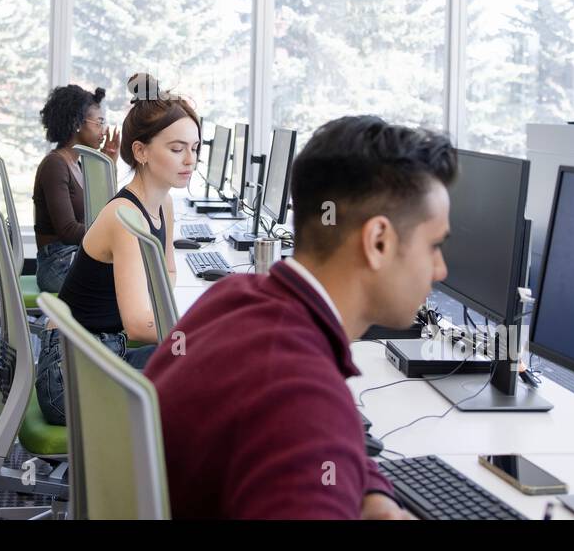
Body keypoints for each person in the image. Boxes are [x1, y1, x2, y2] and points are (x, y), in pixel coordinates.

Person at [144, 116, 456, 519]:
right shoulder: (300, 395)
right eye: (433, 245)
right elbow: (305, 424)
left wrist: (376, 495)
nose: (440, 269)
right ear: (378, 241)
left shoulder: (236, 296)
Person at [36, 73, 199, 426]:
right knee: (202, 381)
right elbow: (140, 326)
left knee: (204, 370)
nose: (190, 159)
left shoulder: (163, 204)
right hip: (67, 377)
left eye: (195, 148)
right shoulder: (126, 217)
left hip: (105, 351)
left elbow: (167, 272)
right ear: (140, 151)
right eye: (176, 149)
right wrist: (201, 331)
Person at [32, 85, 120, 296]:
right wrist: (115, 234)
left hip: (75, 256)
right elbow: (68, 231)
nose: (103, 130)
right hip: (57, 265)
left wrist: (108, 166)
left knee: (132, 272)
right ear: (77, 123)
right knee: (128, 279)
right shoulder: (55, 165)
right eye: (99, 122)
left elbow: (101, 212)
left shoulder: (78, 164)